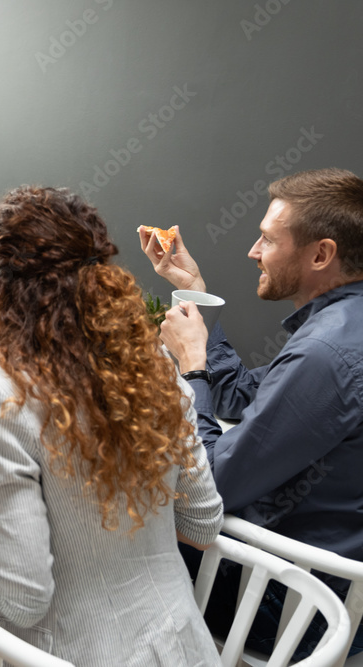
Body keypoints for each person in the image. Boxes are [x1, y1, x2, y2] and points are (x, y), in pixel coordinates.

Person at [0, 186, 224, 666]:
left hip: (72, 653)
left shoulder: (2, 394)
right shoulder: (157, 363)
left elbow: (23, 601)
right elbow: (202, 524)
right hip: (183, 648)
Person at [140, 167, 363, 659]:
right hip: (331, 572)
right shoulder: (343, 325)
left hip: (293, 601)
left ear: (321, 254)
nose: (253, 253)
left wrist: (193, 365)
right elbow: (241, 395)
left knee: (118, 522)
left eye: (267, 240)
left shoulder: (326, 353)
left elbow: (213, 483)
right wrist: (193, 289)